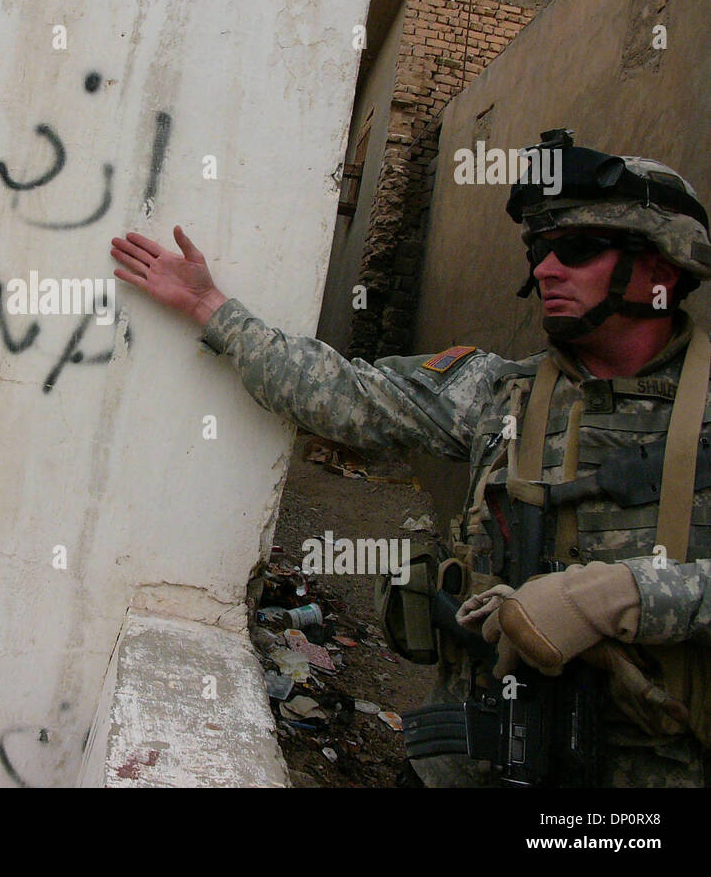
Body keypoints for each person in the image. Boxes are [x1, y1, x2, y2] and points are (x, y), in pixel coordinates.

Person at [111, 131, 711, 787]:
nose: (544, 270)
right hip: (479, 757)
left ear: (663, 267)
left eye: (578, 248)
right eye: (540, 249)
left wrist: (630, 596)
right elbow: (344, 395)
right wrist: (210, 308)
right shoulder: (500, 392)